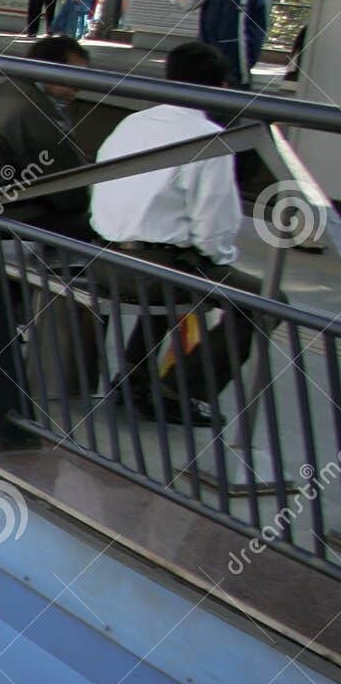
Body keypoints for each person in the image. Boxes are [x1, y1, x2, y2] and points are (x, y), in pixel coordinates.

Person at [89, 41, 269, 426]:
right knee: (262, 299)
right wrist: (218, 259)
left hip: (102, 257)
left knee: (177, 266)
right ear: (218, 87)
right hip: (151, 270)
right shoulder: (210, 138)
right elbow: (214, 232)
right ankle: (179, 392)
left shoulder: (132, 122)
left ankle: (136, 379)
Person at [0, 35, 94, 242]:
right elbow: (68, 193)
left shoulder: (9, 91)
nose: (77, 87)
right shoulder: (33, 110)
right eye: (73, 77)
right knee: (101, 225)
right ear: (47, 69)